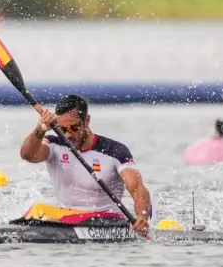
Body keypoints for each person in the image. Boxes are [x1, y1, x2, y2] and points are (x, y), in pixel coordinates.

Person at [20, 94, 152, 236]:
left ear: (87, 121)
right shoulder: (54, 144)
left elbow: (138, 188)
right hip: (65, 218)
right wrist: (40, 129)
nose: (68, 135)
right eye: (62, 129)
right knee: (37, 210)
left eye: (73, 128)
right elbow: (27, 155)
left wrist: (142, 217)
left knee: (39, 212)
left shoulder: (114, 151)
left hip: (106, 220)